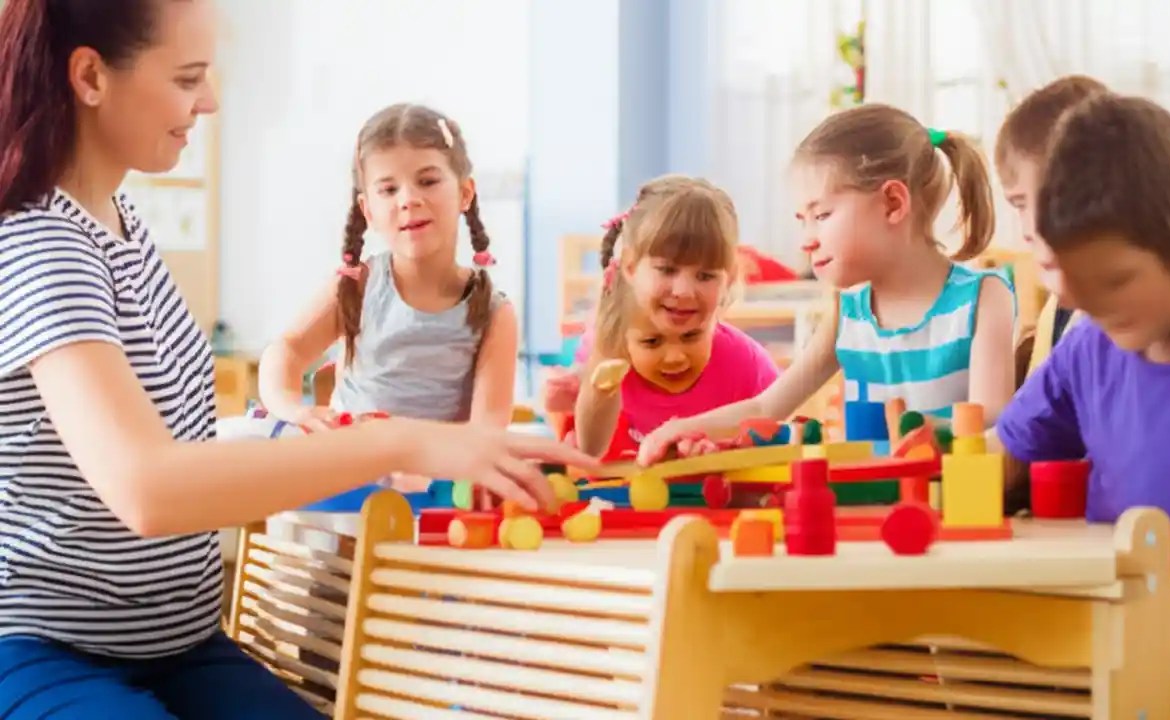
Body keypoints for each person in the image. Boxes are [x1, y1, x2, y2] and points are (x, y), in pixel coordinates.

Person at [0, 1, 594, 717]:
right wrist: (398, 439)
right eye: (189, 78)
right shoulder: (40, 246)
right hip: (45, 646)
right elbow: (147, 488)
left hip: (180, 645)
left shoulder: (119, 227)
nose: (210, 101)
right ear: (91, 75)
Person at [997, 93, 1170, 719]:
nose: (1094, 309)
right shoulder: (1089, 348)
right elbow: (1002, 457)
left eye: (1116, 281)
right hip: (1105, 688)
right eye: (1077, 288)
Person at [638, 104, 1015, 465]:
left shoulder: (982, 297)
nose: (807, 238)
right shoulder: (847, 314)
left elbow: (994, 421)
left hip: (953, 509)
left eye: (821, 215)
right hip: (866, 511)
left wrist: (929, 433)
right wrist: (681, 429)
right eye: (803, 219)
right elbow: (767, 408)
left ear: (892, 204)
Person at [258, 103, 516, 431]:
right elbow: (287, 350)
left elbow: (486, 436)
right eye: (389, 189)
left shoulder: (493, 312)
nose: (407, 199)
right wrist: (294, 410)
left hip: (437, 478)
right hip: (351, 470)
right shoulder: (359, 285)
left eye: (427, 181)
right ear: (368, 210)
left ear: (465, 193)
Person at [568, 175, 779, 458]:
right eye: (667, 270)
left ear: (727, 279)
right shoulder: (606, 347)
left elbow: (783, 442)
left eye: (705, 276)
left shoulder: (748, 365)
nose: (684, 292)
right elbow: (590, 449)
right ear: (630, 266)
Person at [994, 75, 1109, 378]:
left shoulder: (1124, 323)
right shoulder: (1056, 312)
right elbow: (1031, 421)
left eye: (1022, 204)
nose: (1026, 231)